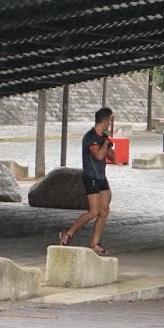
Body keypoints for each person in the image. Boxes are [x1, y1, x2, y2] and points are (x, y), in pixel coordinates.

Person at [60, 107, 117, 256]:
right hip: (91, 177)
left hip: (101, 177)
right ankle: (68, 233)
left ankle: (94, 243)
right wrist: (105, 143)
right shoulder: (91, 137)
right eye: (109, 121)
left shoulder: (103, 138)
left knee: (104, 211)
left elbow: (113, 157)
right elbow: (98, 156)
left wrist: (108, 144)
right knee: (93, 211)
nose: (110, 124)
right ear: (104, 121)